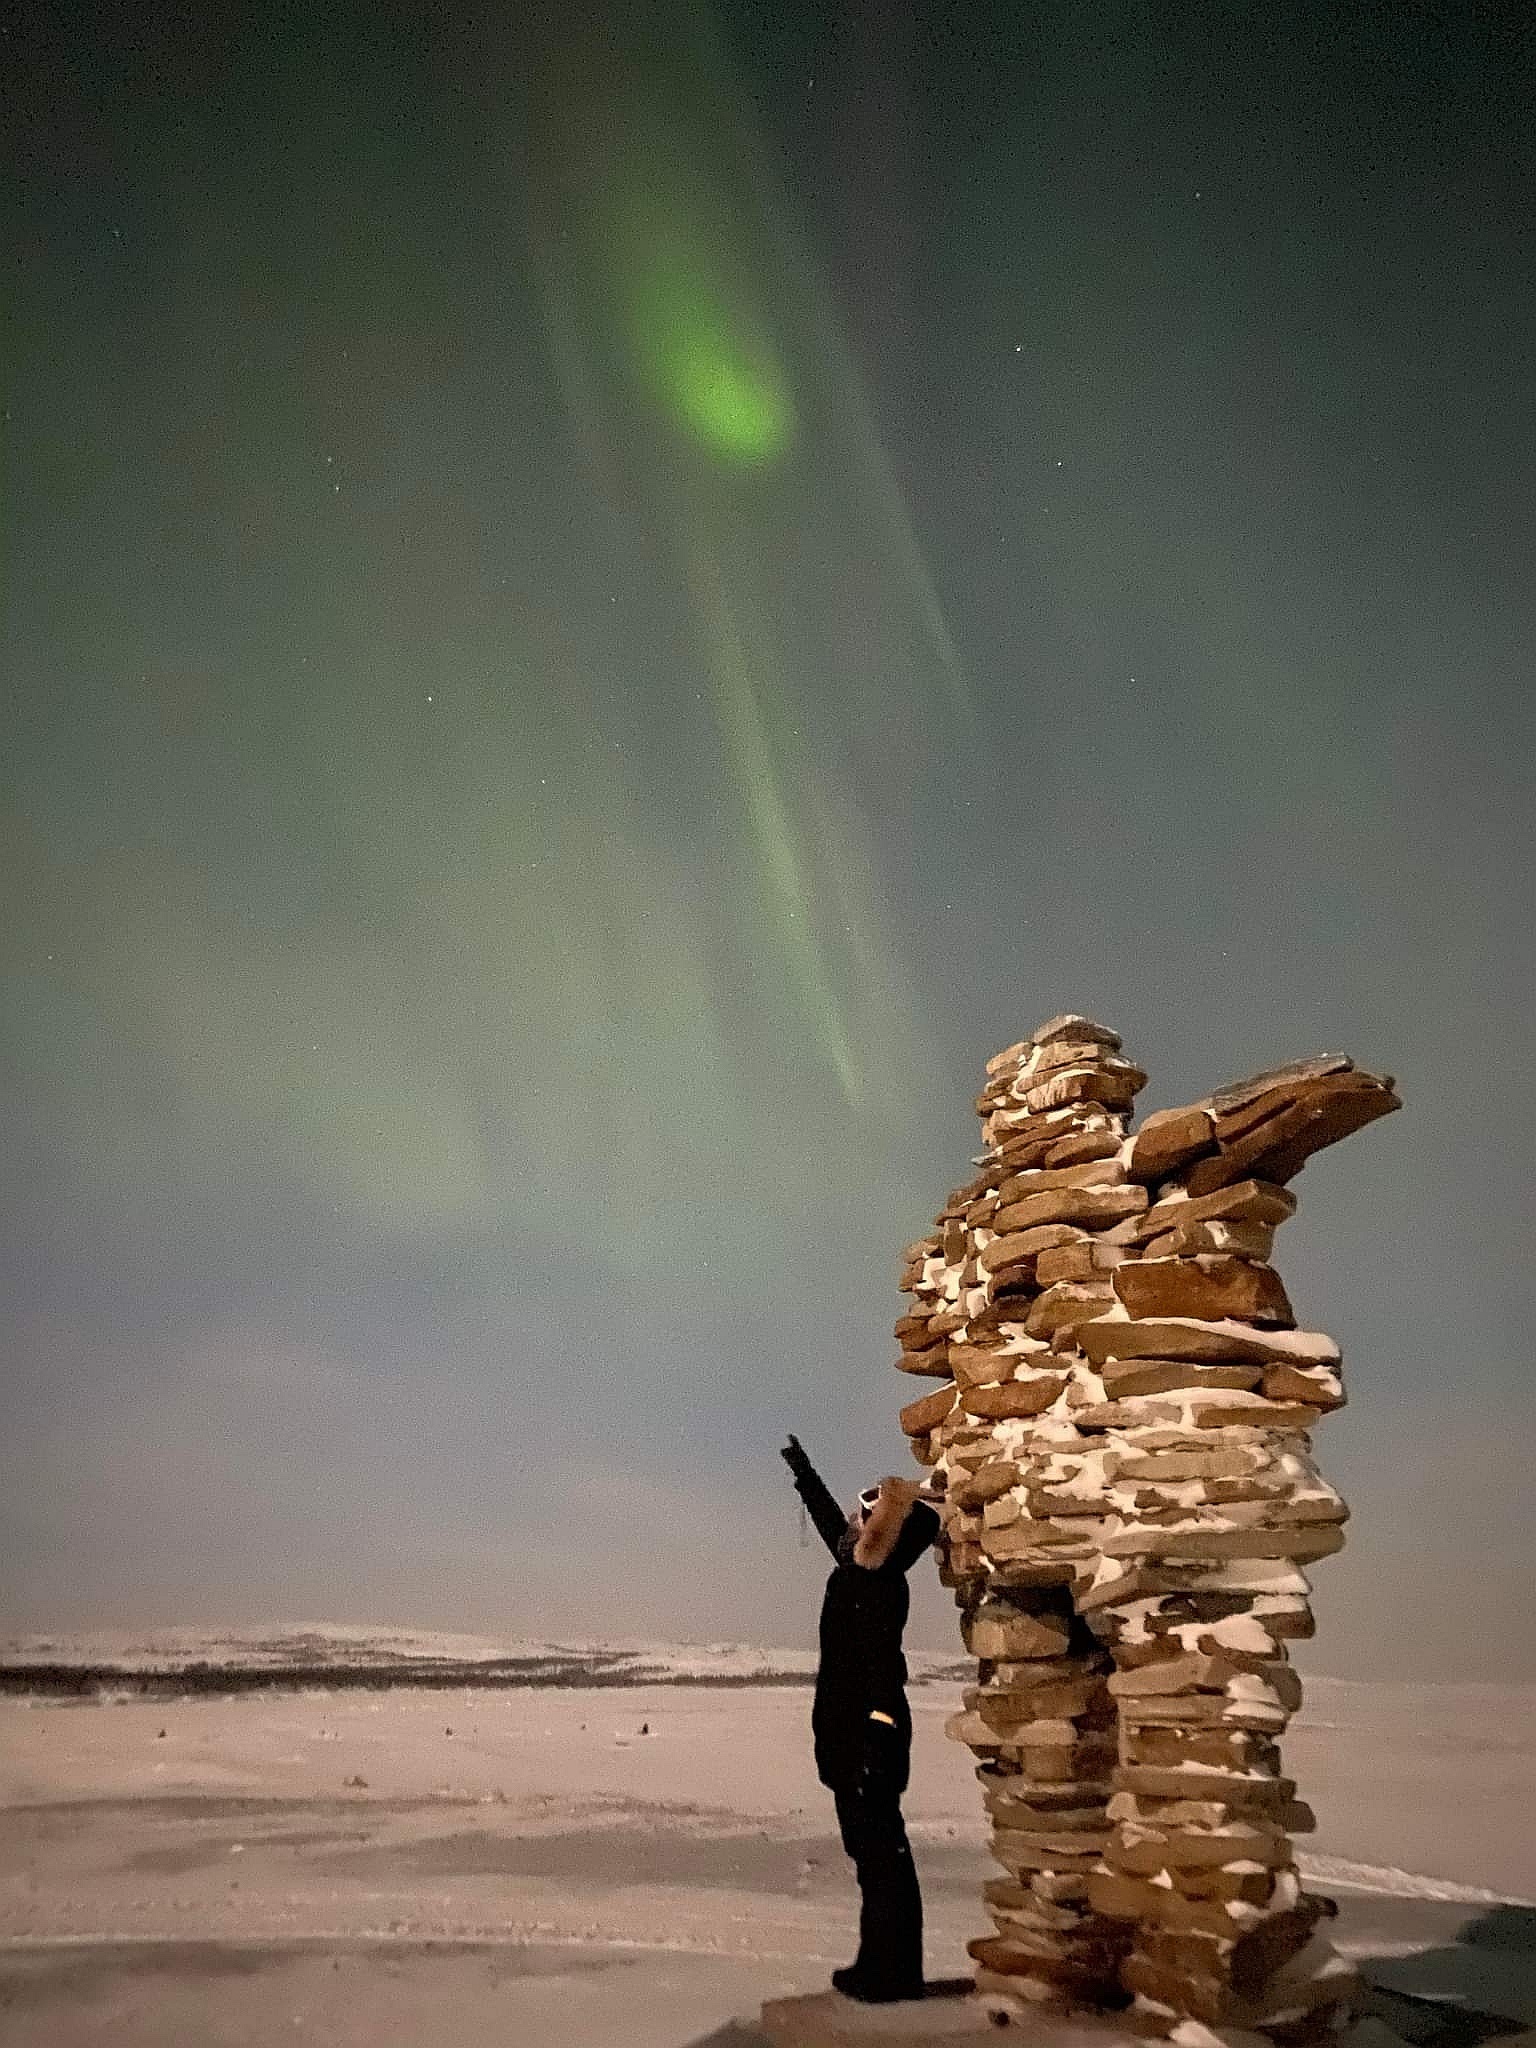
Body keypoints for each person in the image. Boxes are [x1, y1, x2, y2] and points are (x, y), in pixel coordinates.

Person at [779, 1433, 941, 2004]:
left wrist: (875, 1740)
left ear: (885, 1528)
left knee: (882, 1856)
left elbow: (877, 1676)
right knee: (872, 1856)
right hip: (852, 1736)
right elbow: (832, 1527)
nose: (853, 1517)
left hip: (869, 1735)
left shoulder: (877, 1582)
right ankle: (880, 1962)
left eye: (865, 1512)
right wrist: (803, 1471)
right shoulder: (862, 1570)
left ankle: (894, 1971)